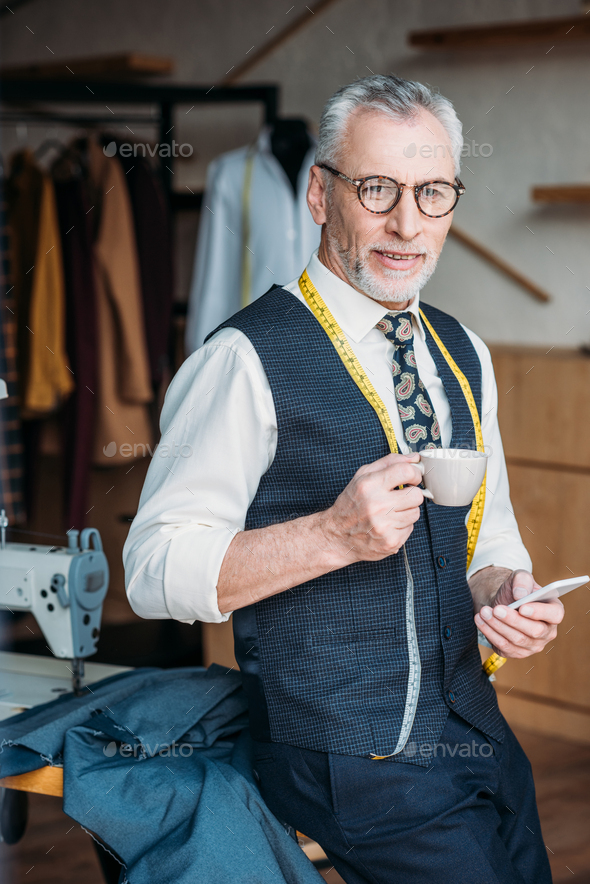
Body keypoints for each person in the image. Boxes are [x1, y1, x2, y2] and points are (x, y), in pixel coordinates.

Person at [124, 75, 563, 884]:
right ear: (321, 195)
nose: (407, 223)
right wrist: (330, 535)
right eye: (378, 190)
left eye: (431, 192)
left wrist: (503, 589)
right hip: (340, 757)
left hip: (475, 731)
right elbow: (152, 572)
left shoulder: (466, 353)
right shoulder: (242, 360)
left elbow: (487, 531)